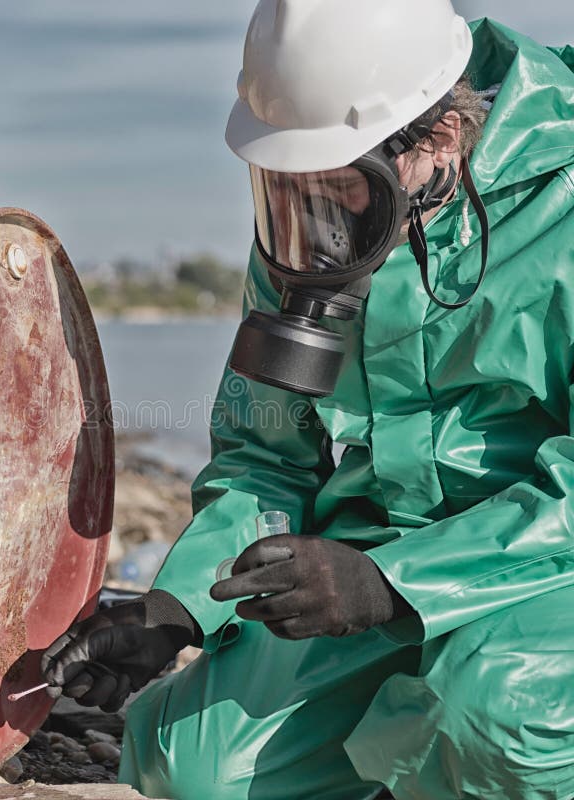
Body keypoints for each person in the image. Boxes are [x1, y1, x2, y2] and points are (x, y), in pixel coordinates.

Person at [41, 2, 574, 798]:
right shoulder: (308, 237)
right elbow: (265, 448)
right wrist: (180, 606)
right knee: (192, 770)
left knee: (496, 724)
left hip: (542, 579)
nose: (313, 223)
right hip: (378, 571)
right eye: (285, 186)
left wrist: (392, 584)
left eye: (337, 190)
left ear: (440, 142)